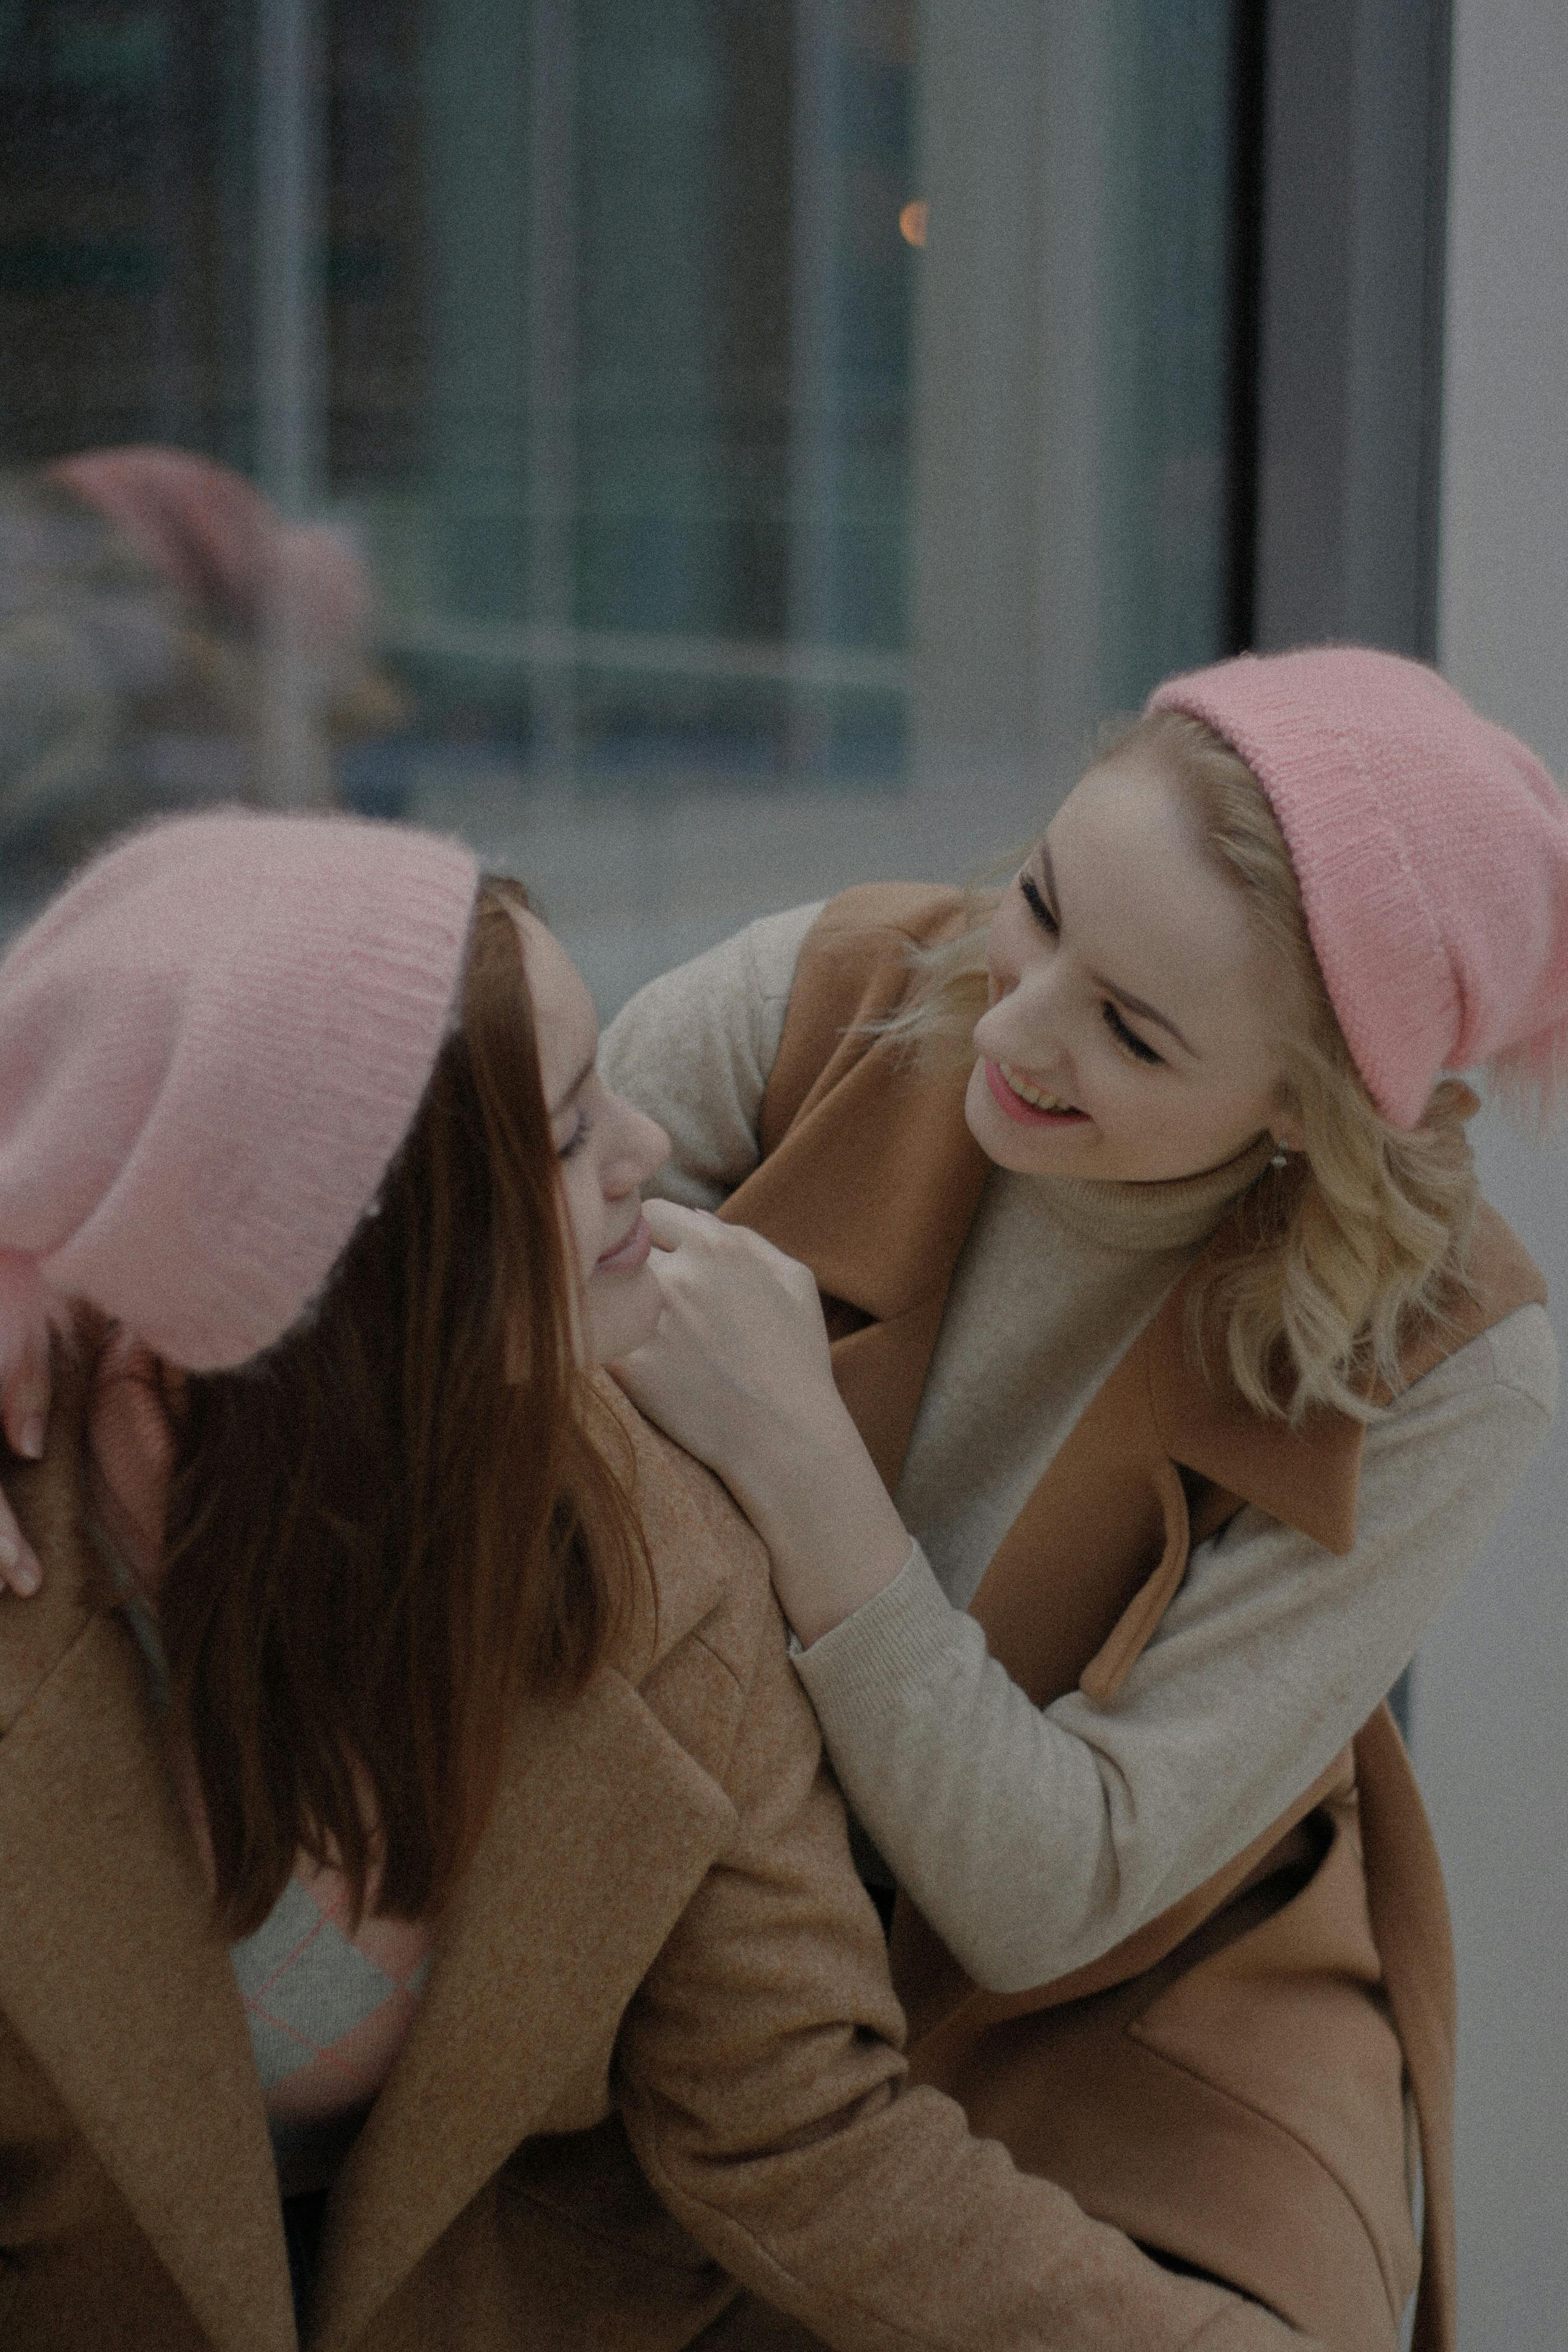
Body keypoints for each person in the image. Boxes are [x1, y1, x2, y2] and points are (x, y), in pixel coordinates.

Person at [0, 808, 1313, 2352]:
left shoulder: (651, 1555)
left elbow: (800, 2134)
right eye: (563, 1130)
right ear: (322, 1257)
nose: (644, 1151)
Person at [600, 647, 1564, 2352]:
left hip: (1154, 1990)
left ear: (1311, 1114)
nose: (1014, 1018)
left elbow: (1060, 1890)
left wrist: (805, 1463)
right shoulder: (831, 987)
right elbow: (454, 1286)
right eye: (1039, 905)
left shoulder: (1450, 1362)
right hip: (747, 1870)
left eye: (1130, 1027)